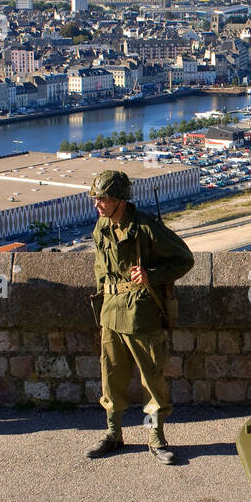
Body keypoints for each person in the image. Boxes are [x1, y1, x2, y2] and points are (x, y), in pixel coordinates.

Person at [85, 169, 194, 465]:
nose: (97, 204)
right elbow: (99, 267)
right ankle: (113, 433)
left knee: (151, 380)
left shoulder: (146, 228)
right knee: (111, 378)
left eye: (103, 199)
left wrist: (152, 275)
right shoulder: (102, 227)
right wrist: (102, 298)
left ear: (120, 199)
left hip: (140, 314)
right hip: (111, 313)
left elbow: (185, 259)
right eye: (96, 198)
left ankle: (154, 437)